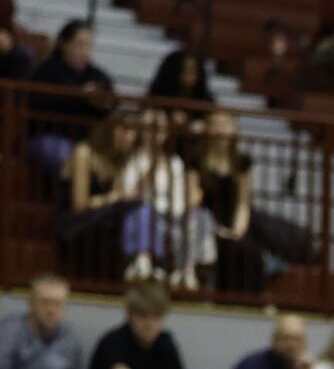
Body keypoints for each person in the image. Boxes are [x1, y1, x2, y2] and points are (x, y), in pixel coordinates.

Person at [119, 103, 216, 288]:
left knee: (200, 216)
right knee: (144, 211)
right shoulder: (134, 160)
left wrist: (191, 201)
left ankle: (186, 271)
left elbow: (186, 195)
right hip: (150, 213)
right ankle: (143, 263)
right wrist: (151, 167)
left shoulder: (175, 162)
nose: (155, 135)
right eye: (150, 129)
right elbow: (130, 193)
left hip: (176, 215)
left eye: (160, 130)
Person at [27, 19, 115, 175]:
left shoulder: (95, 75)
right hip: (46, 137)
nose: (85, 52)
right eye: (80, 45)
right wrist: (80, 96)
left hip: (83, 142)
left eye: (89, 46)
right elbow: (41, 104)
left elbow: (110, 99)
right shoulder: (46, 70)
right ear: (64, 43)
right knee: (68, 156)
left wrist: (100, 99)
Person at [60, 107, 141, 277]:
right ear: (109, 129)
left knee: (134, 208)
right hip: (74, 223)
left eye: (134, 131)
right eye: (125, 129)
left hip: (102, 222)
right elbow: (79, 204)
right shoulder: (84, 153)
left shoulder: (120, 162)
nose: (130, 136)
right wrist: (113, 197)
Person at [192, 107, 263, 293]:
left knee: (250, 252)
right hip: (204, 221)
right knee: (221, 250)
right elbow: (193, 199)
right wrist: (215, 229)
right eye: (214, 125)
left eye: (224, 125)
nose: (219, 130)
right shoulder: (196, 158)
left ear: (234, 129)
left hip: (231, 220)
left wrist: (237, 230)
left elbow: (243, 202)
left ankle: (251, 302)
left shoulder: (241, 161)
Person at [146, 47, 212, 111]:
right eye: (185, 70)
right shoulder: (156, 98)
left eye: (194, 71)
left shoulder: (205, 102)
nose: (190, 75)